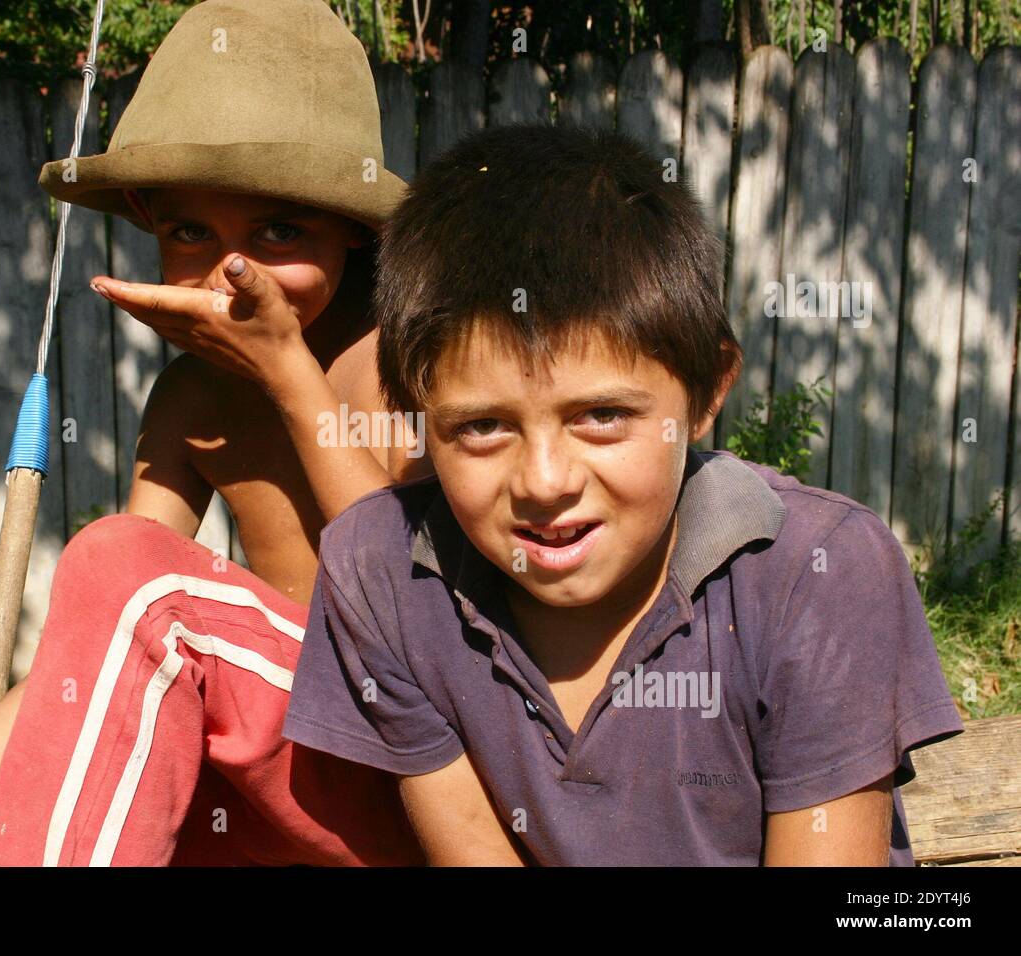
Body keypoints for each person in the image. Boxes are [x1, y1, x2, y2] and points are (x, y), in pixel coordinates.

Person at [0, 0, 427, 868]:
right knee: (3, 819)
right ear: (150, 223)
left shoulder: (416, 360)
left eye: (279, 229)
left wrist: (288, 375)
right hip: (284, 784)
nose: (233, 271)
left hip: (409, 777)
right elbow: (118, 646)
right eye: (192, 232)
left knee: (122, 560)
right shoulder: (194, 396)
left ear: (354, 225)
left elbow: (418, 626)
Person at [280, 123, 966, 865]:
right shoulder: (381, 572)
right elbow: (474, 848)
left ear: (707, 393)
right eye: (481, 427)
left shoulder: (816, 572)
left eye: (602, 417)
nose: (545, 482)